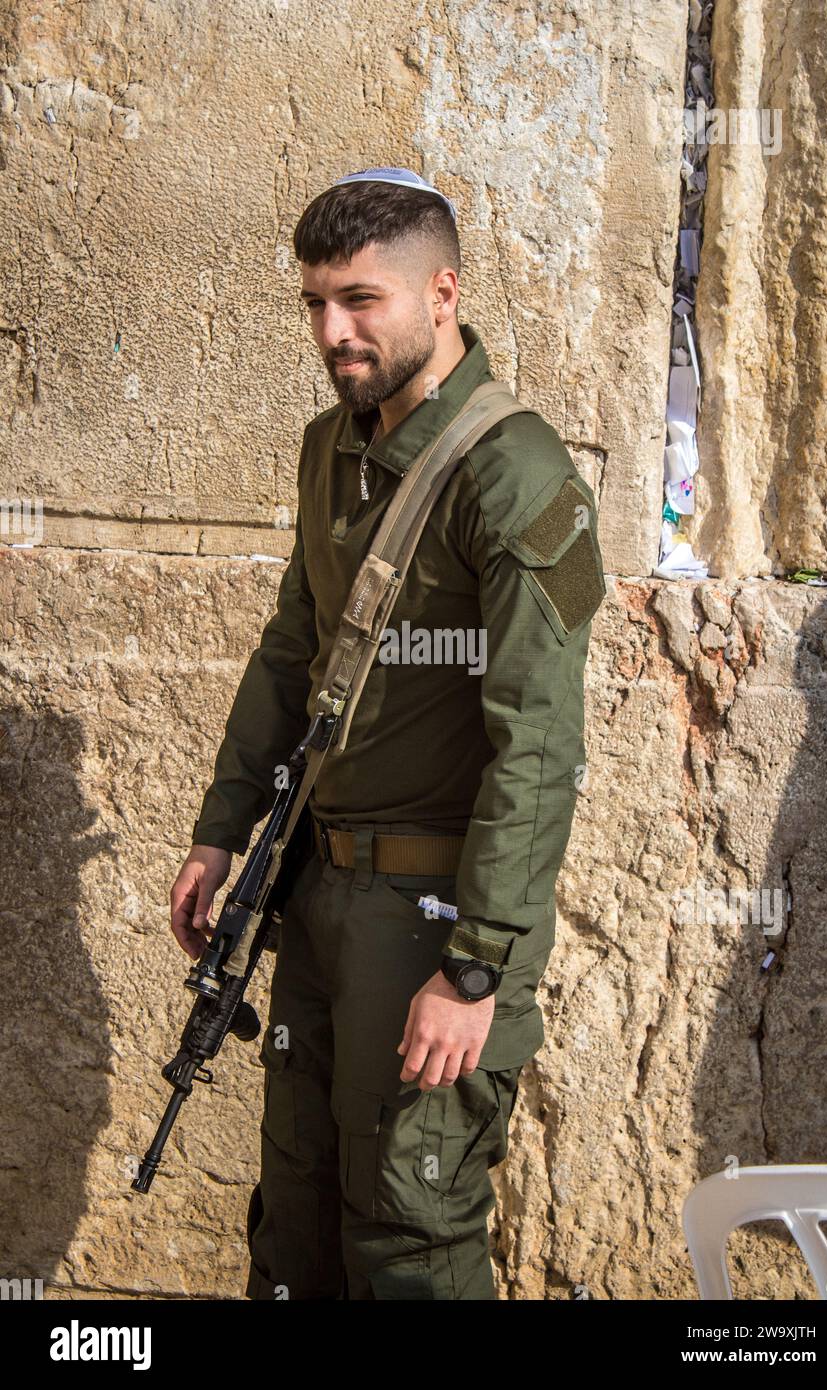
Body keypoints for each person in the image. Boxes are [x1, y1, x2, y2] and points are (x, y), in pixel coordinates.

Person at [169, 166, 606, 1300]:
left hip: (433, 920)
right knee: (298, 1216)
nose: (332, 330)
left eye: (361, 300)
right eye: (314, 302)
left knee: (410, 1234)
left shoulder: (512, 475)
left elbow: (537, 747)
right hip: (317, 894)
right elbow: (292, 651)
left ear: (442, 293)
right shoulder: (333, 448)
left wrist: (476, 967)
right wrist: (223, 831)